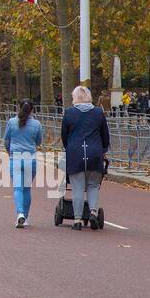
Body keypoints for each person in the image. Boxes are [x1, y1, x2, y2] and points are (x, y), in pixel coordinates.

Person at [60, 85, 110, 230]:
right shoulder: (98, 113)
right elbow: (104, 134)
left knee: (77, 187)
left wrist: (68, 148)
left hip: (75, 153)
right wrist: (104, 149)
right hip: (95, 152)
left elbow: (65, 135)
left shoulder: (69, 113)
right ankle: (93, 211)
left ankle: (77, 219)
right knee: (93, 185)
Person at [3, 99, 43, 228]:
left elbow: (6, 140)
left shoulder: (12, 122)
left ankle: (19, 213)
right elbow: (38, 141)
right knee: (27, 189)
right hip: (29, 158)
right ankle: (25, 217)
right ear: (32, 110)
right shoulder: (36, 124)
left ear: (18, 108)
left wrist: (10, 151)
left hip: (15, 157)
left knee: (17, 188)